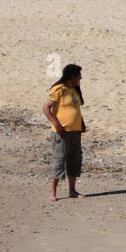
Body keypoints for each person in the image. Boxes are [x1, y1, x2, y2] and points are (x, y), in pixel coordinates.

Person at [43, 64, 87, 201]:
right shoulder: (59, 89)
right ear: (72, 75)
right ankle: (53, 193)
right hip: (61, 132)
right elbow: (46, 108)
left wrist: (82, 124)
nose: (81, 77)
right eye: (79, 75)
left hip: (75, 131)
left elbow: (76, 109)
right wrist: (56, 124)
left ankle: (72, 191)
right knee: (59, 160)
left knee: (74, 160)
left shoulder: (74, 90)